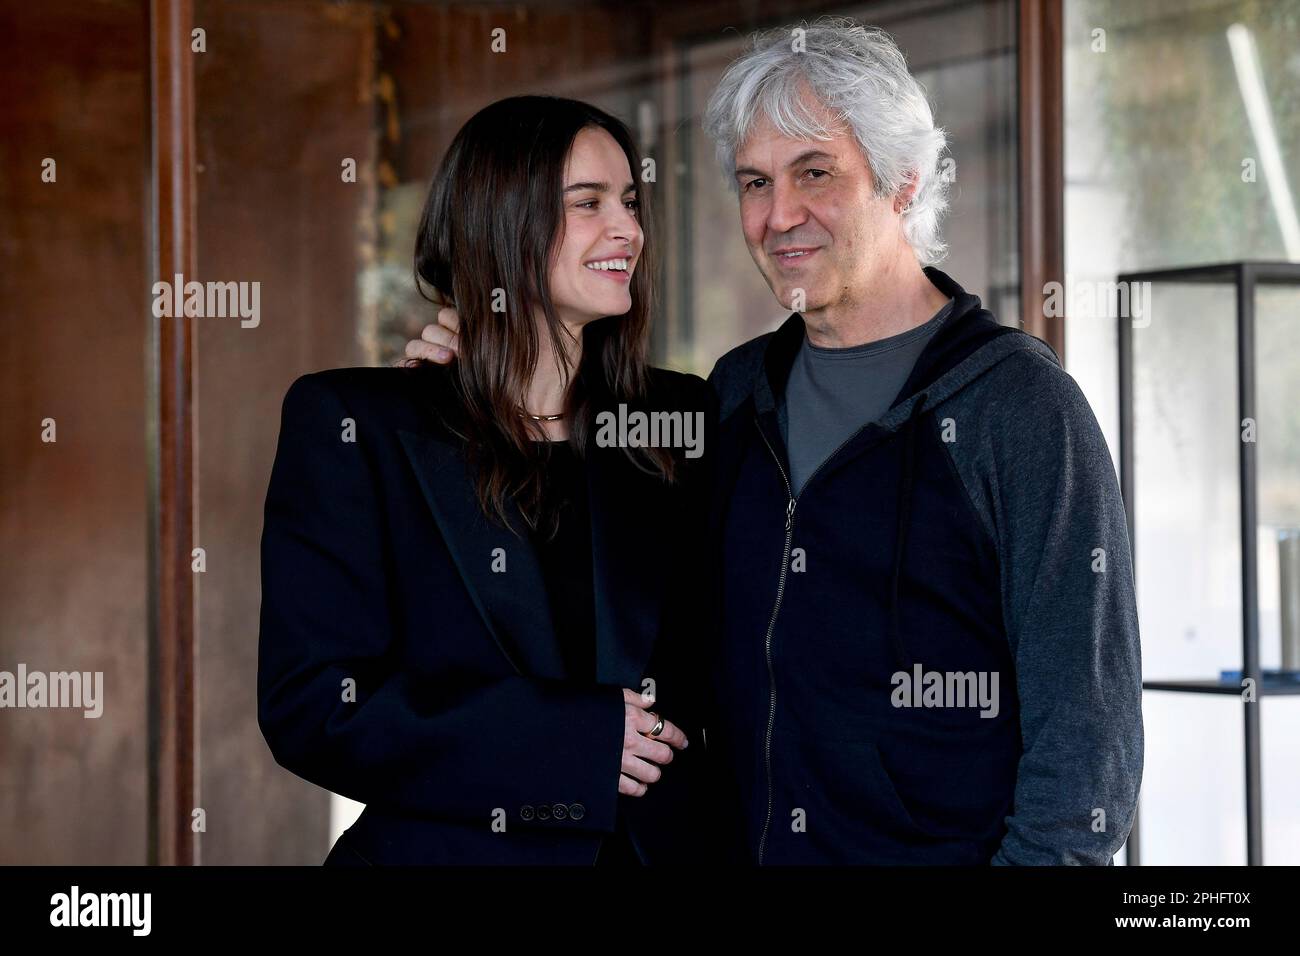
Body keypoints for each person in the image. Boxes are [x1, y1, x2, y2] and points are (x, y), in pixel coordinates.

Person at [407, 18, 1144, 865]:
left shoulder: (1018, 407)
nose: (779, 215)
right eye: (755, 182)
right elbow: (570, 569)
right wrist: (476, 370)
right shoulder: (729, 396)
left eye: (815, 173)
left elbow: (1089, 757)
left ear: (903, 181)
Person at [258, 95, 717, 865]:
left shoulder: (684, 418)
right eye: (589, 204)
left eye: (631, 204)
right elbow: (315, 707)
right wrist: (572, 740)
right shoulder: (356, 423)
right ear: (501, 221)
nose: (630, 231)